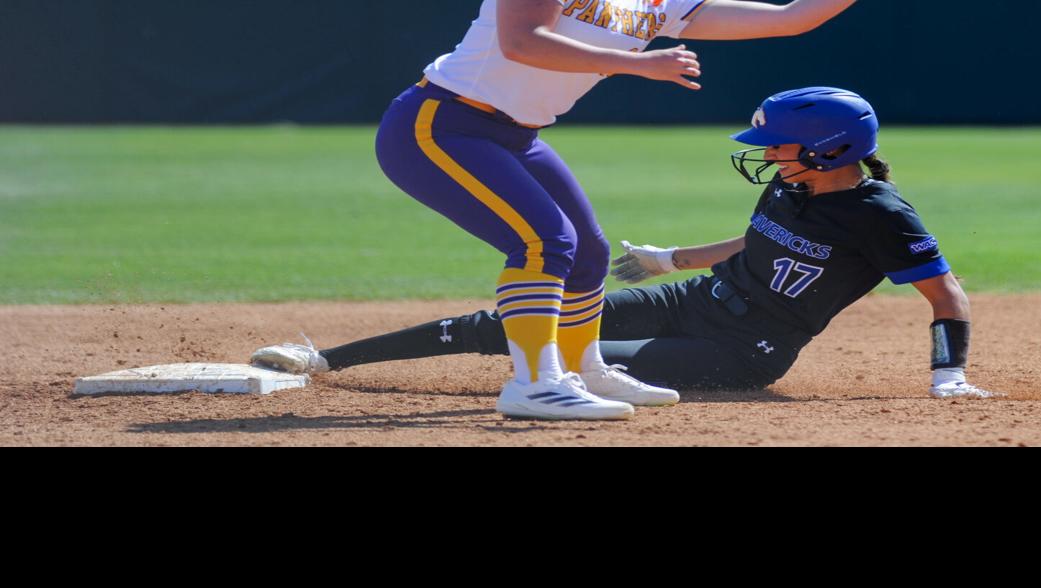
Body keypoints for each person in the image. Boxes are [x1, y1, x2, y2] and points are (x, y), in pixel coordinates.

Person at [273, 0, 860, 421]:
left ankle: (584, 369)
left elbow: (792, 17)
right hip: (442, 123)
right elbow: (522, 40)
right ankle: (535, 384)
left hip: (516, 135)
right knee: (545, 243)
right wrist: (640, 64)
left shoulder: (666, 1)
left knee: (588, 253)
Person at [255, 87, 992, 400]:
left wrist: (946, 376)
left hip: (744, 351)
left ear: (830, 151)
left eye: (780, 146)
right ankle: (324, 358)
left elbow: (945, 293)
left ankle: (549, 390)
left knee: (577, 363)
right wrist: (673, 260)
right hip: (695, 299)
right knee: (512, 324)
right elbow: (760, 238)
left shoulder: (882, 215)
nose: (767, 155)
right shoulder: (799, 187)